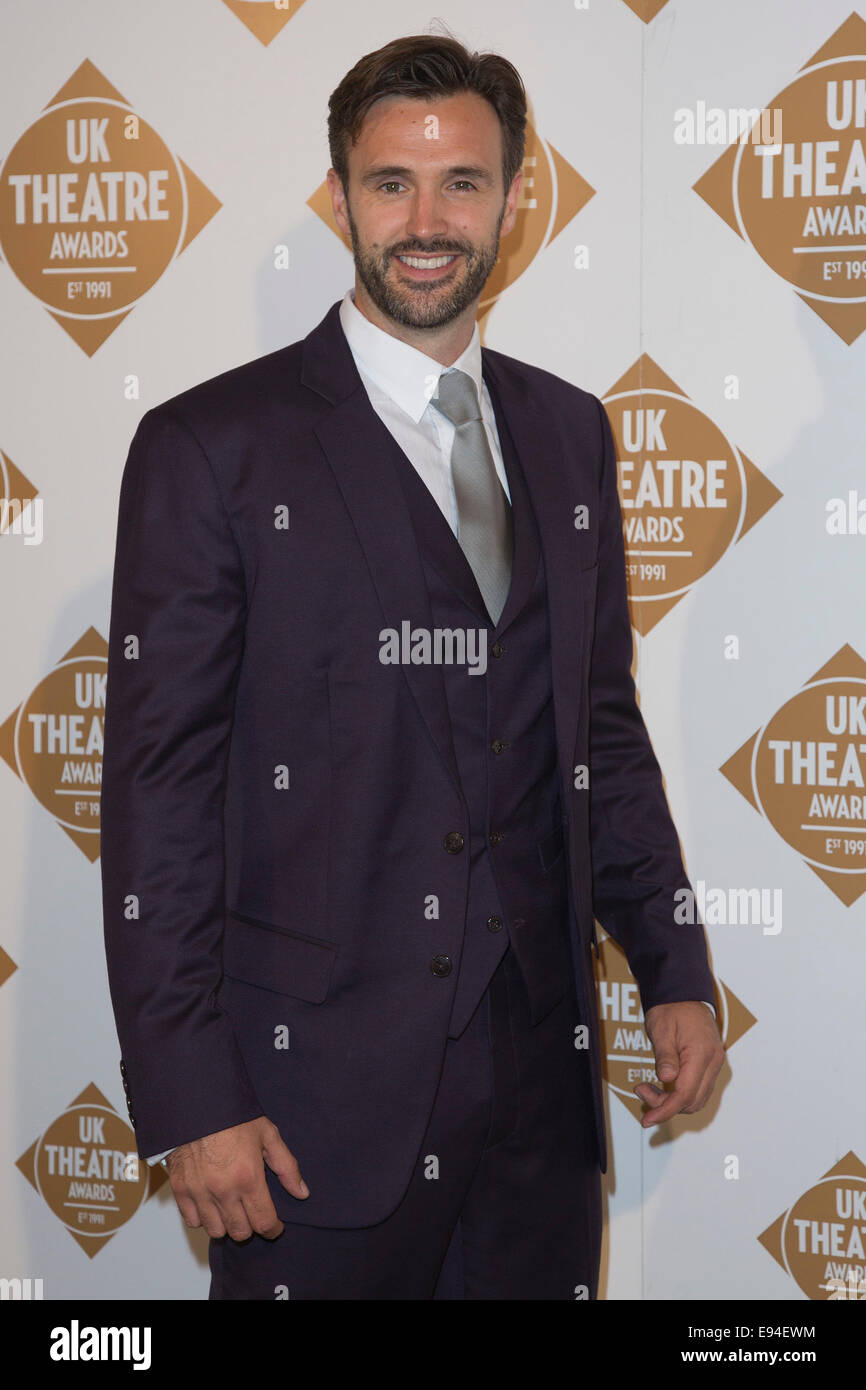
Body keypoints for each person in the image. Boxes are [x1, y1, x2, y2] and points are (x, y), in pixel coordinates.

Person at [100, 32, 724, 1301]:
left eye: (462, 184)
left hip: (540, 1102)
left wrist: (671, 965)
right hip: (310, 1112)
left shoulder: (566, 432)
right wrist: (189, 1098)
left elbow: (594, 724)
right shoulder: (212, 448)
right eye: (390, 184)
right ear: (337, 198)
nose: (426, 222)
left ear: (514, 198)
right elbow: (157, 797)